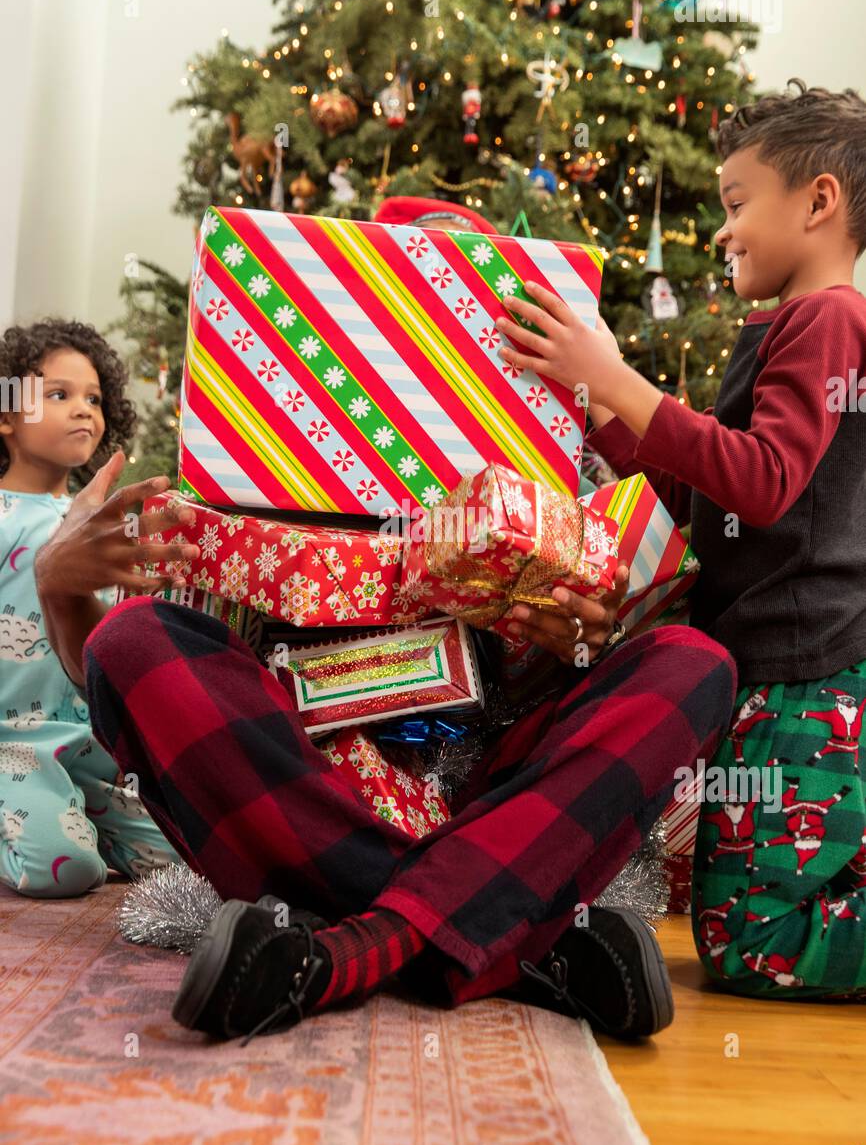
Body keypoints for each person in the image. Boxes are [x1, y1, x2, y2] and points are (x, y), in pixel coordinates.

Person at [34, 205, 737, 1042]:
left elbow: (590, 697)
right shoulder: (248, 461)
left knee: (692, 664)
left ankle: (345, 951)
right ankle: (513, 944)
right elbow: (143, 693)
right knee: (134, 642)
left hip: (485, 795)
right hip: (311, 795)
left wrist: (579, 639)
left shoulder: (560, 487)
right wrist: (58, 590)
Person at [497, 79, 866, 999]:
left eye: (738, 204)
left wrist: (618, 382)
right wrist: (593, 409)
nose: (724, 229)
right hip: (775, 666)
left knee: (750, 943)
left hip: (811, 667)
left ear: (819, 201)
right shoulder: (790, 327)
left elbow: (763, 479)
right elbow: (697, 480)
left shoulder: (830, 318)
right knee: (739, 919)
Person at [0, 320, 193, 897]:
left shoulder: (100, 525)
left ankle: (70, 815)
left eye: (94, 398)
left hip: (87, 740)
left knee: (182, 864)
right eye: (59, 395)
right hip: (11, 741)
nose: (84, 409)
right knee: (65, 870)